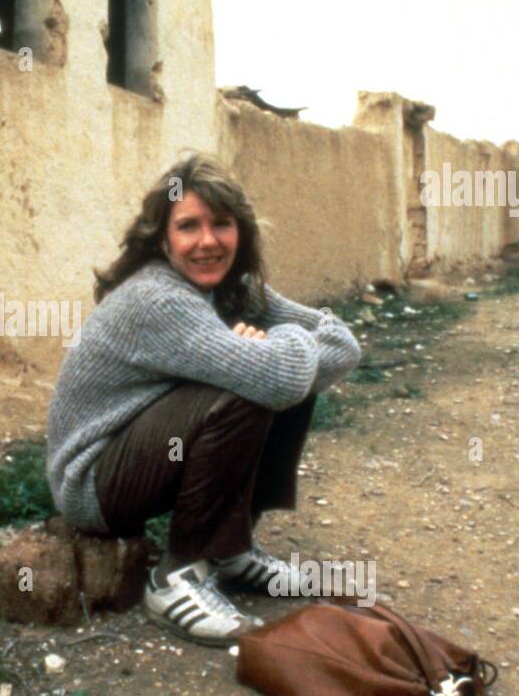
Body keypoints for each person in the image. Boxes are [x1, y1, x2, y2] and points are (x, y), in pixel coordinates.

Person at [46, 153, 362, 647]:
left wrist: (274, 349)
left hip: (146, 450)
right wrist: (280, 349)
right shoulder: (158, 299)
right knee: (249, 385)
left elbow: (344, 346)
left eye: (222, 224)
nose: (208, 241)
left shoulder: (235, 287)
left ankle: (229, 551)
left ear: (242, 231)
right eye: (188, 226)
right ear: (163, 238)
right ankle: (176, 578)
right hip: (93, 481)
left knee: (273, 376)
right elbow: (282, 373)